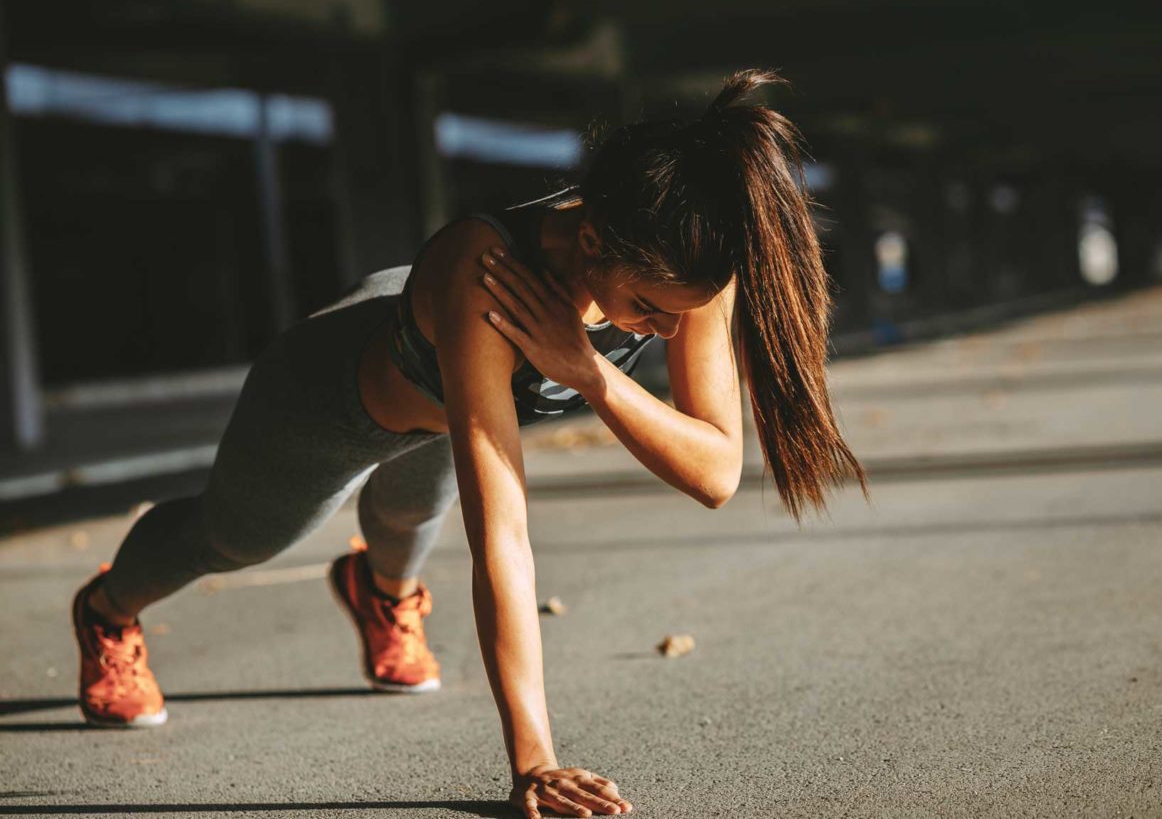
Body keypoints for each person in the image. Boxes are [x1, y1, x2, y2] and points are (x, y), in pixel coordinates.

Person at [69, 68, 868, 818]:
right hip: (333, 397)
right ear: (593, 244)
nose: (665, 330)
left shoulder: (690, 263)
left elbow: (717, 469)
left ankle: (377, 592)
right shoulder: (488, 275)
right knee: (236, 537)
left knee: (403, 528)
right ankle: (106, 610)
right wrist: (533, 762)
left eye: (674, 316)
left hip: (440, 415)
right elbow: (504, 539)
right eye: (649, 310)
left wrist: (588, 369)